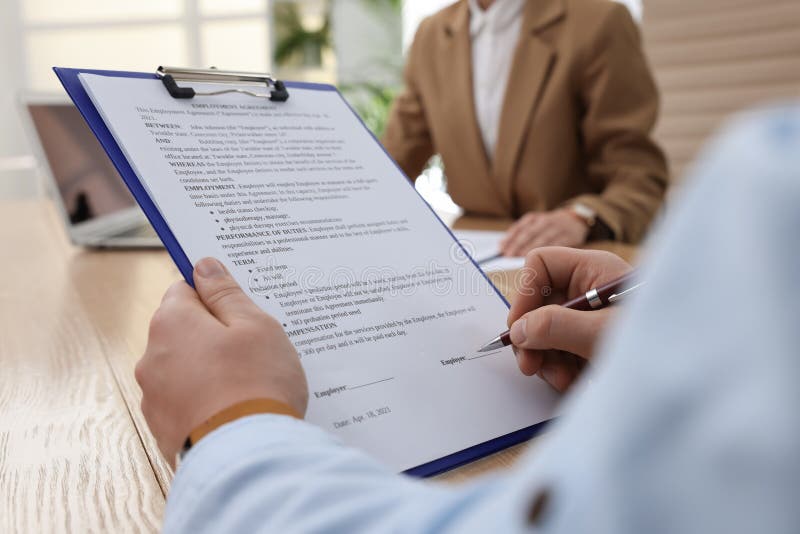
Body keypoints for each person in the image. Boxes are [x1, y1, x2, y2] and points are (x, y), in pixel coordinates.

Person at [137, 104, 800, 533]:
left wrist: (229, 427)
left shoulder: (765, 178)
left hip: (542, 241)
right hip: (484, 251)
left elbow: (636, 166)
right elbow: (381, 163)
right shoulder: (438, 35)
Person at [382, 0, 669, 256]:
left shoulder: (599, 21)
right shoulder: (431, 35)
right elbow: (391, 162)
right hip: (473, 256)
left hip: (573, 256)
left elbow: (638, 175)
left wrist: (582, 217)